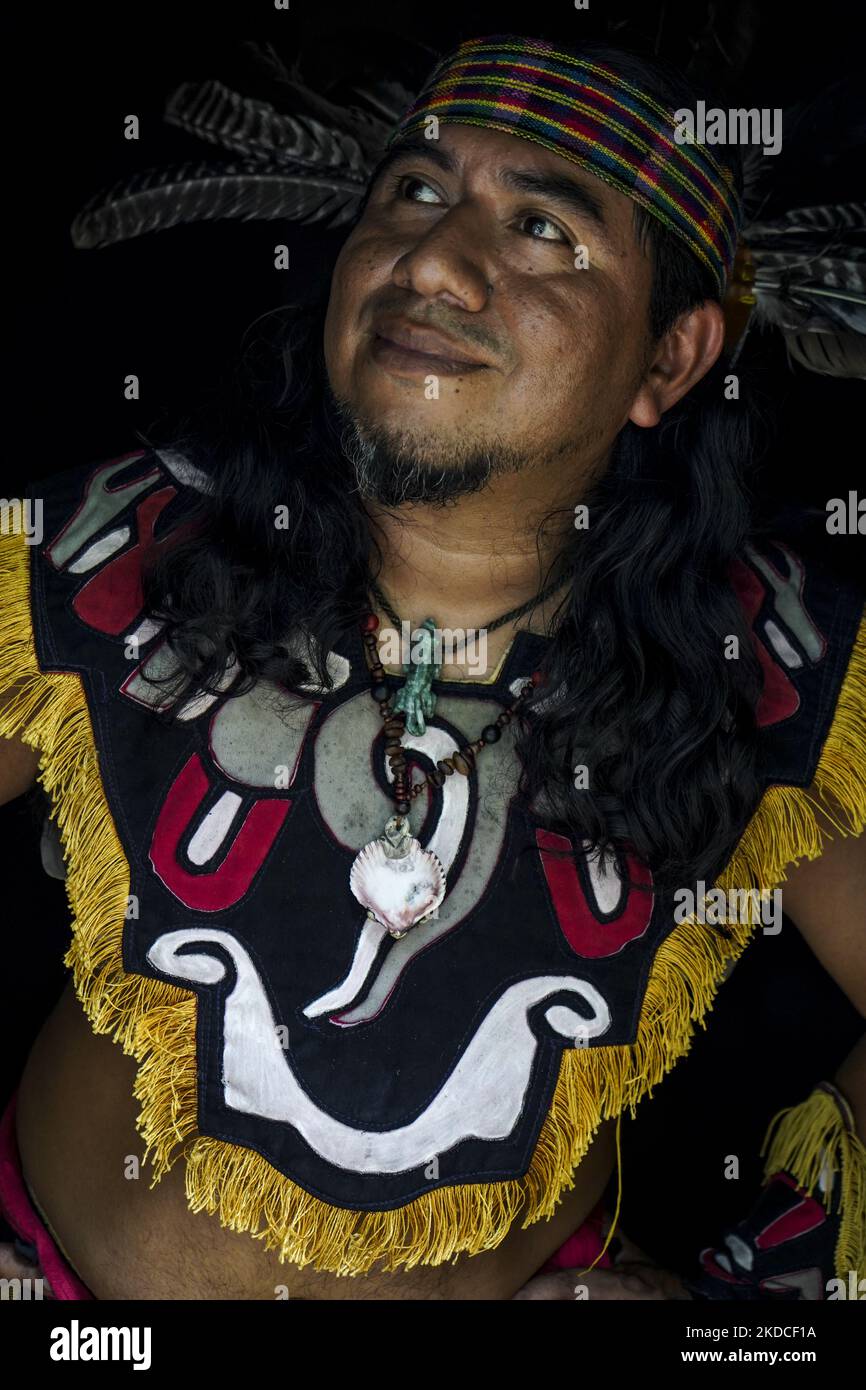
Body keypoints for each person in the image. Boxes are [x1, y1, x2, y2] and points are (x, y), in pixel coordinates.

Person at [0, 33, 863, 1301]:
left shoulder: (766, 671)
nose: (434, 263)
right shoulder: (130, 547)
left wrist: (739, 1307)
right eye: (413, 192)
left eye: (541, 232)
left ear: (669, 357)